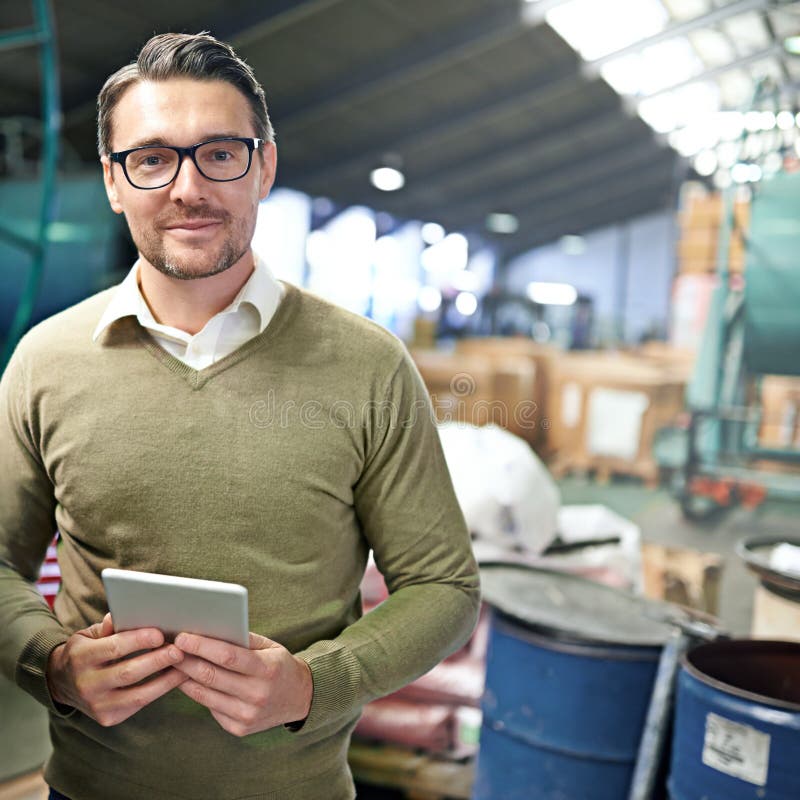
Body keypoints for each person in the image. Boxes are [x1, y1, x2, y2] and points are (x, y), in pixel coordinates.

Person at [0, 32, 480, 800]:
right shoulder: (45, 361)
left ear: (264, 167)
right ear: (114, 183)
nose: (188, 187)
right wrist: (48, 664)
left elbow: (443, 585)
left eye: (220, 153)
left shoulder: (367, 366)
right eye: (152, 158)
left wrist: (312, 685)